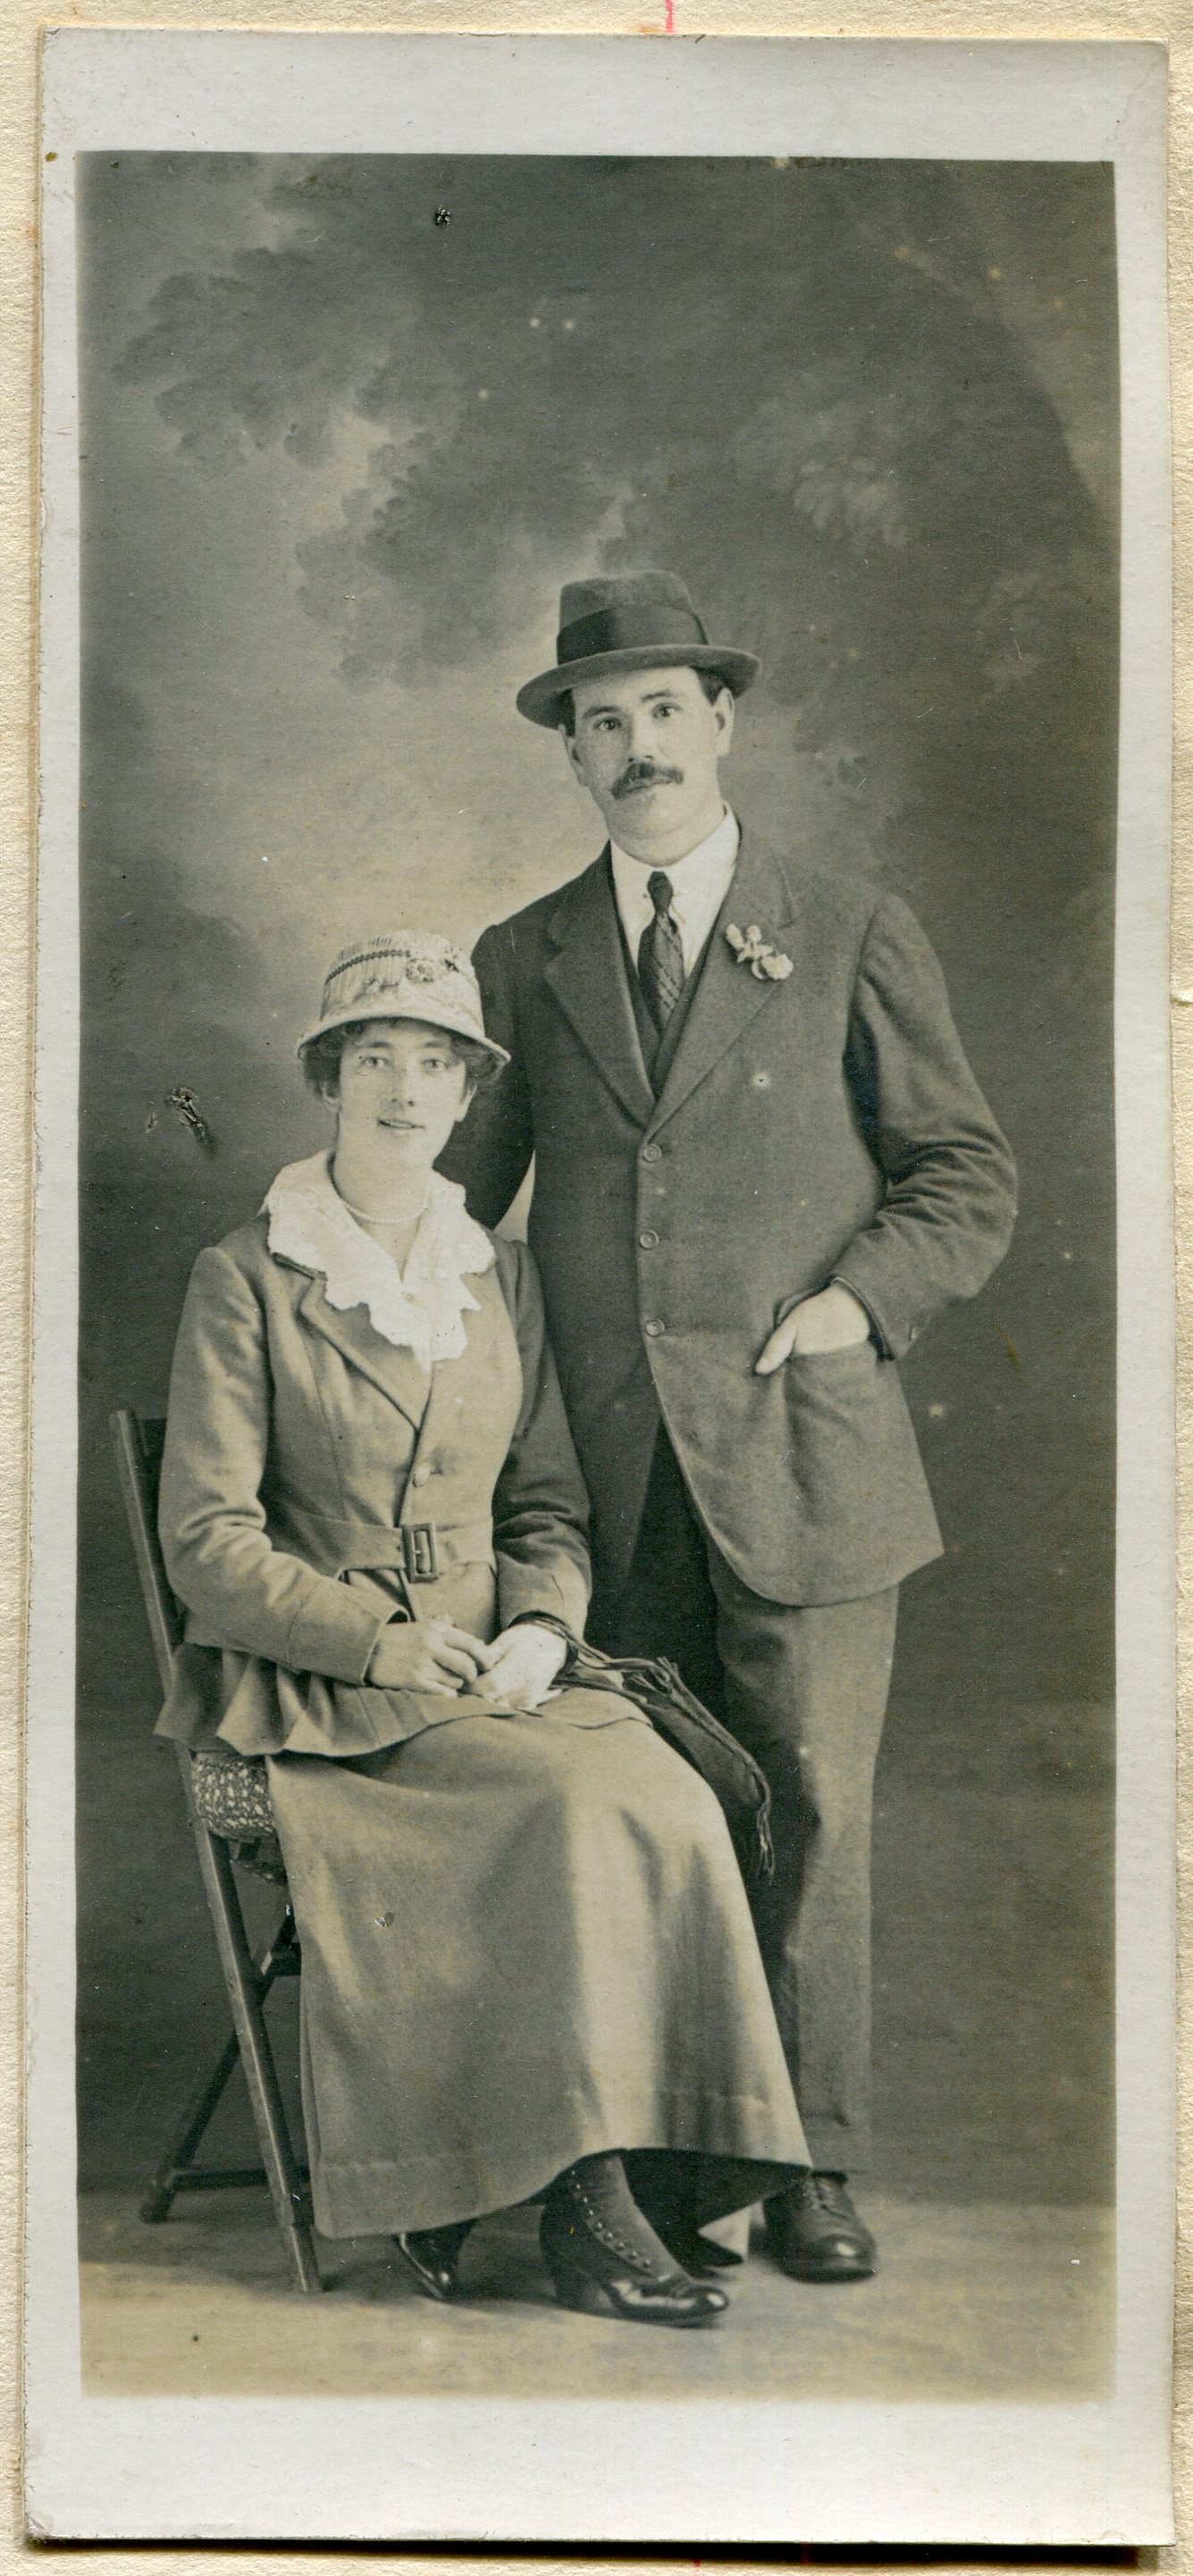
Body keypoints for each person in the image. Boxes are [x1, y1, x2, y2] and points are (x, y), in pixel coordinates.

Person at [440, 572, 1019, 2282]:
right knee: (647, 1817)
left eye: (662, 713)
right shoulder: (521, 956)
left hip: (809, 1454)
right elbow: (455, 1202)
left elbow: (965, 1174)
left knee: (816, 1805)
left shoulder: (845, 923)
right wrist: (296, 1226)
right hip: (608, 1484)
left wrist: (859, 1302)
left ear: (723, 723)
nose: (636, 750)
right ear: (573, 756)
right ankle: (645, 2167)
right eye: (600, 724)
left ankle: (812, 2165)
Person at [155, 930, 813, 2328]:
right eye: (376, 1058)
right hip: (319, 1695)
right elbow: (208, 1548)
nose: (406, 1089)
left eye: (437, 1063)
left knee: (676, 1795)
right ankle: (578, 2209)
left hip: (493, 1675)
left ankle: (650, 2167)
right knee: (573, 1803)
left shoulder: (496, 1277)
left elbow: (551, 1510)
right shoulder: (248, 1275)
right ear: (331, 1079)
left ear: (467, 1095)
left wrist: (538, 1626)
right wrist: (378, 1643)